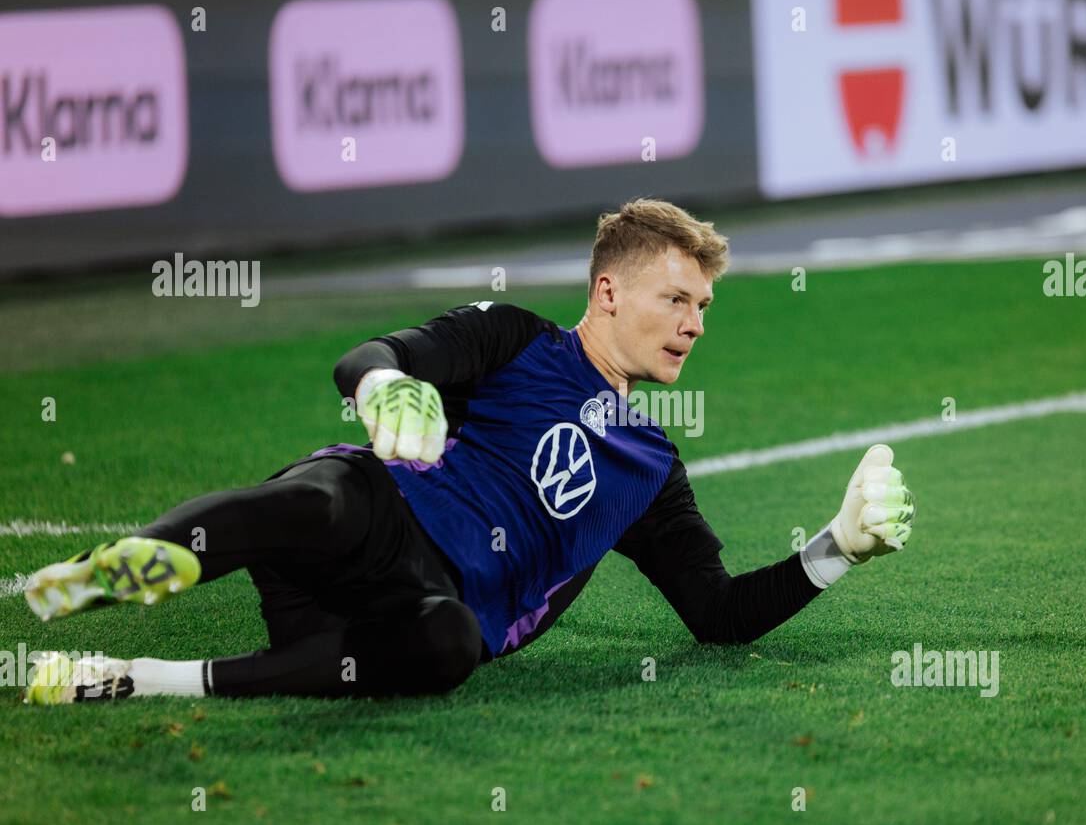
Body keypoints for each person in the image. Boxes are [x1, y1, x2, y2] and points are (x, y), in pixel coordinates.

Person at [22, 198, 914, 704]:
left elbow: (718, 613)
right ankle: (116, 568)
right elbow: (371, 357)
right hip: (374, 520)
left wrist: (836, 548)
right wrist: (388, 389)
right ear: (607, 291)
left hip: (405, 613)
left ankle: (137, 677)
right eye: (678, 299)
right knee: (323, 496)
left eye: (705, 309)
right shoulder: (517, 338)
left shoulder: (651, 466)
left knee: (450, 648)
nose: (694, 324)